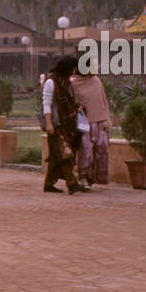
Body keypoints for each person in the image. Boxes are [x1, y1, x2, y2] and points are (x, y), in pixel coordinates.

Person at [43, 57, 84, 194]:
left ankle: (49, 184)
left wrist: (77, 108)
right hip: (56, 123)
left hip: (67, 124)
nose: (74, 71)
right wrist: (48, 123)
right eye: (73, 68)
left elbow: (71, 101)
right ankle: (72, 183)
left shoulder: (67, 84)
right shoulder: (51, 83)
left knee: (57, 155)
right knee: (66, 153)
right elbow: (47, 104)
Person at [70, 65, 112, 189]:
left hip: (99, 121)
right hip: (83, 123)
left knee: (101, 149)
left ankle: (92, 177)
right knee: (85, 150)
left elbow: (103, 101)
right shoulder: (73, 83)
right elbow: (69, 101)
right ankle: (82, 177)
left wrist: (106, 119)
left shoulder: (97, 81)